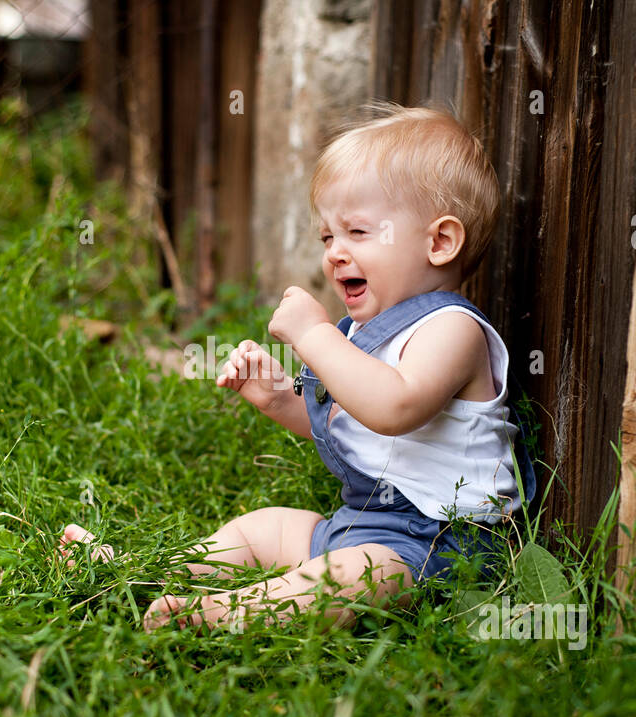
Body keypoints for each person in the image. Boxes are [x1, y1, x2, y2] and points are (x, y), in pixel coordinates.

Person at [58, 102, 535, 633]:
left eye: (357, 232)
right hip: (361, 523)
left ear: (440, 242)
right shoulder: (364, 332)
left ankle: (220, 616)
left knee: (351, 578)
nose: (334, 253)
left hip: (440, 546)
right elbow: (354, 424)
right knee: (262, 530)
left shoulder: (453, 330)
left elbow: (394, 408)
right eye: (328, 237)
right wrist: (283, 401)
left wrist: (315, 336)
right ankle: (141, 573)